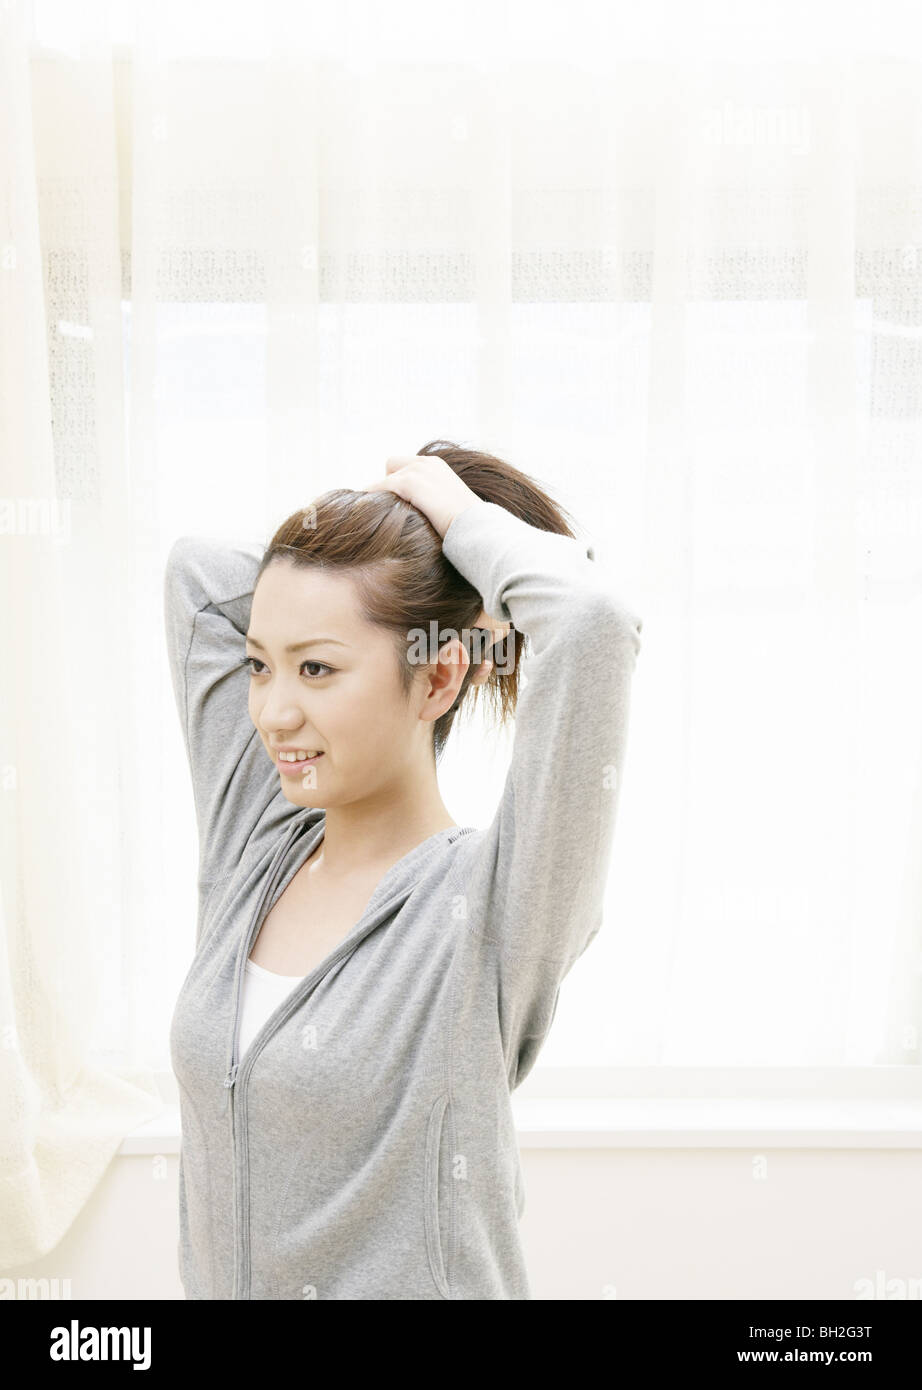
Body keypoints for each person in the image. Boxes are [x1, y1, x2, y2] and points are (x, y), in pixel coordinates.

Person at [164, 440, 643, 1300]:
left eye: (317, 667)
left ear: (439, 677)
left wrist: (467, 527)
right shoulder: (255, 842)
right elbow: (195, 577)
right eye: (259, 665)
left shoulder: (494, 909)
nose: (274, 712)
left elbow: (592, 621)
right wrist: (389, 528)